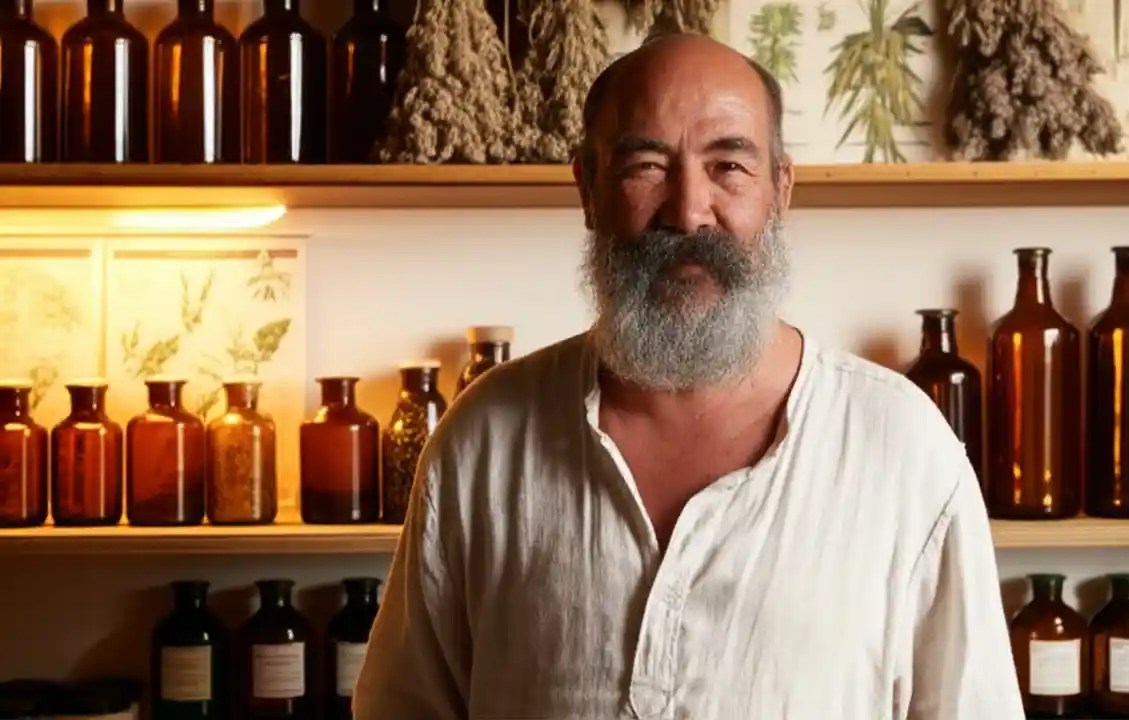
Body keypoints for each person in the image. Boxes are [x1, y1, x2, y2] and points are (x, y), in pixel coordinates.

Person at [353, 33, 1023, 720]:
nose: (688, 211)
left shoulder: (903, 449)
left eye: (729, 165)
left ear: (781, 191)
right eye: (645, 165)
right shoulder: (484, 440)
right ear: (587, 189)